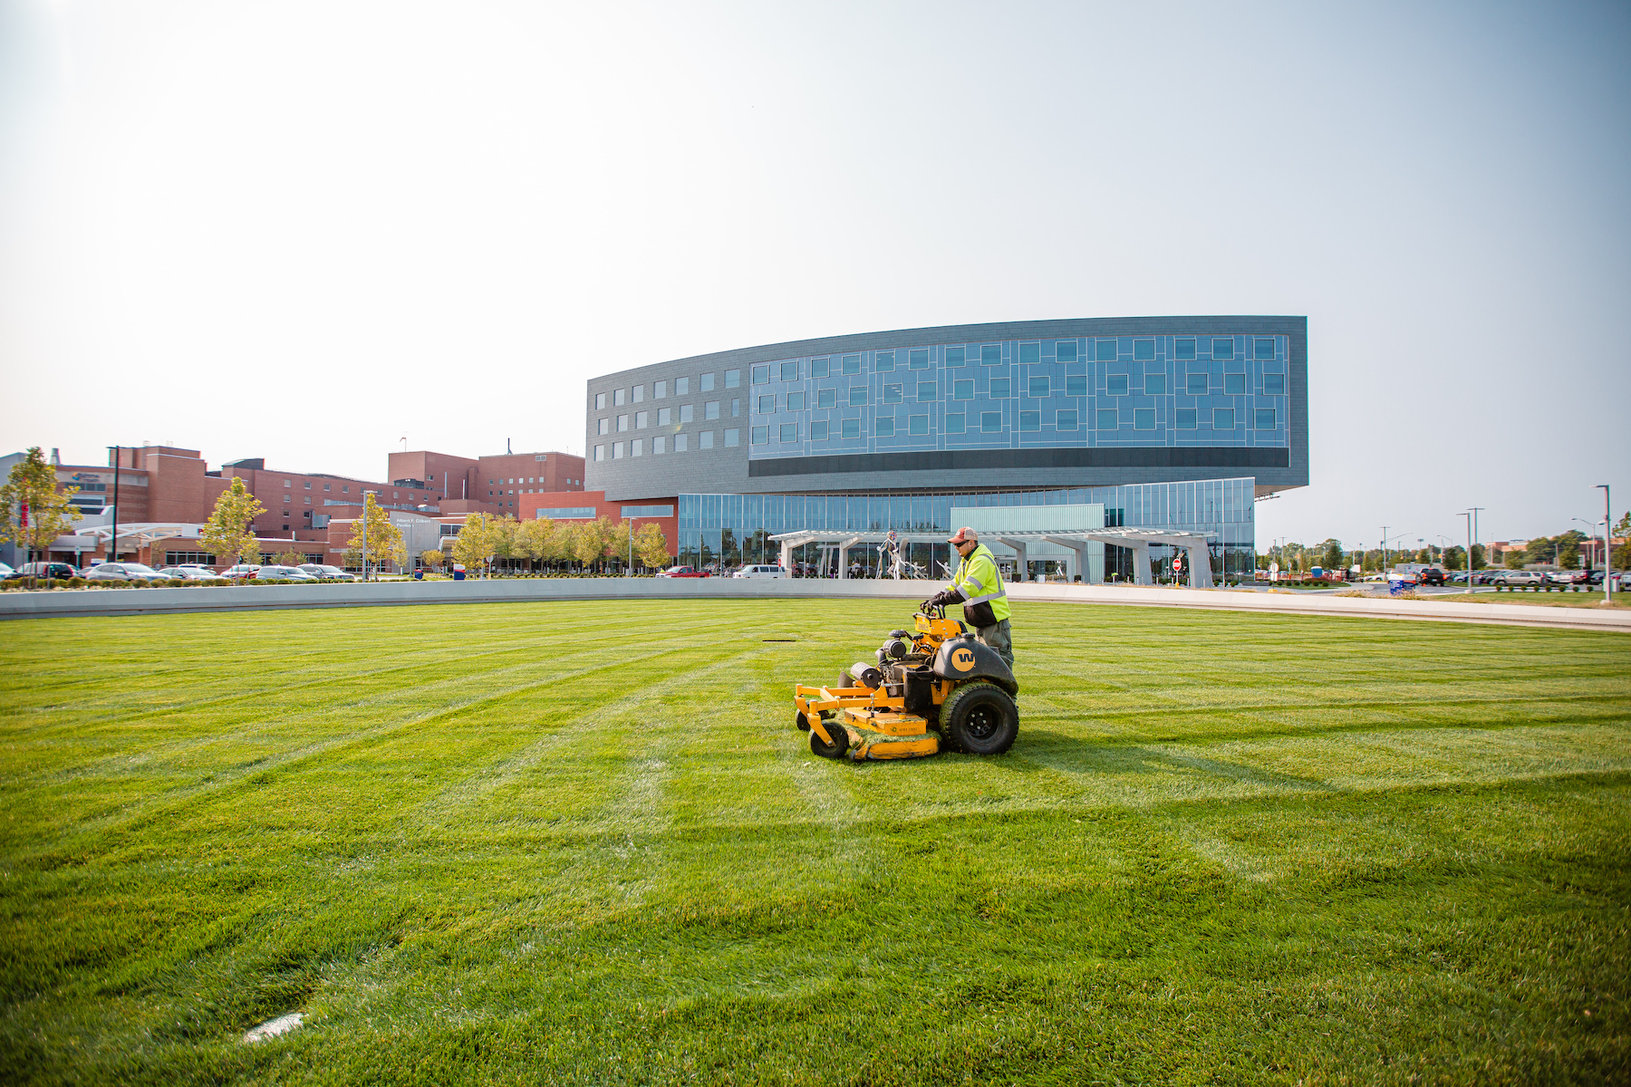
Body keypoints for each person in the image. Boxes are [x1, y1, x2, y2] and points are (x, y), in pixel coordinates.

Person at [921, 527, 1014, 668]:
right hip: (984, 621)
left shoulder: (981, 561)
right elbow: (953, 587)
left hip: (994, 624)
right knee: (985, 666)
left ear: (971, 543)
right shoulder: (966, 562)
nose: (956, 547)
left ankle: (999, 691)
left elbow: (965, 591)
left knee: (998, 664)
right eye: (954, 544)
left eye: (959, 544)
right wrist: (934, 599)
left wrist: (942, 600)